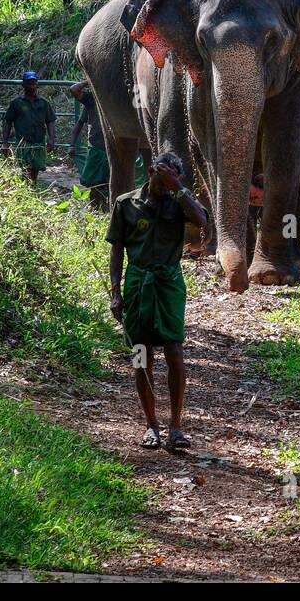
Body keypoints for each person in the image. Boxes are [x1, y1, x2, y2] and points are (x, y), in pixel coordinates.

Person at [107, 152, 208, 451]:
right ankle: (151, 425)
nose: (164, 187)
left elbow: (201, 220)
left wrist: (177, 188)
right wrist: (116, 292)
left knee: (175, 350)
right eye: (161, 179)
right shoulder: (126, 204)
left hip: (169, 282)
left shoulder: (179, 201)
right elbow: (116, 250)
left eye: (171, 180)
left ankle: (176, 427)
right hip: (138, 282)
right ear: (150, 171)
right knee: (141, 353)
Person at [2, 71, 56, 185]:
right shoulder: (16, 103)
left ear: (37, 84)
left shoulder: (44, 103)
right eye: (28, 83)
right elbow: (8, 122)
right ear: (23, 84)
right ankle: (27, 188)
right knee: (26, 168)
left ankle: (33, 186)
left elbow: (50, 121)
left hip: (39, 141)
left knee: (36, 167)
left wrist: (51, 139)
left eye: (33, 82)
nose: (31, 85)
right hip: (23, 142)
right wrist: (5, 142)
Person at [69, 80, 108, 208]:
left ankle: (109, 210)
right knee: (92, 182)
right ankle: (94, 208)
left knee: (112, 182)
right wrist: (91, 79)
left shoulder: (117, 101)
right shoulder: (91, 100)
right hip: (96, 147)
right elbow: (74, 89)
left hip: (113, 148)